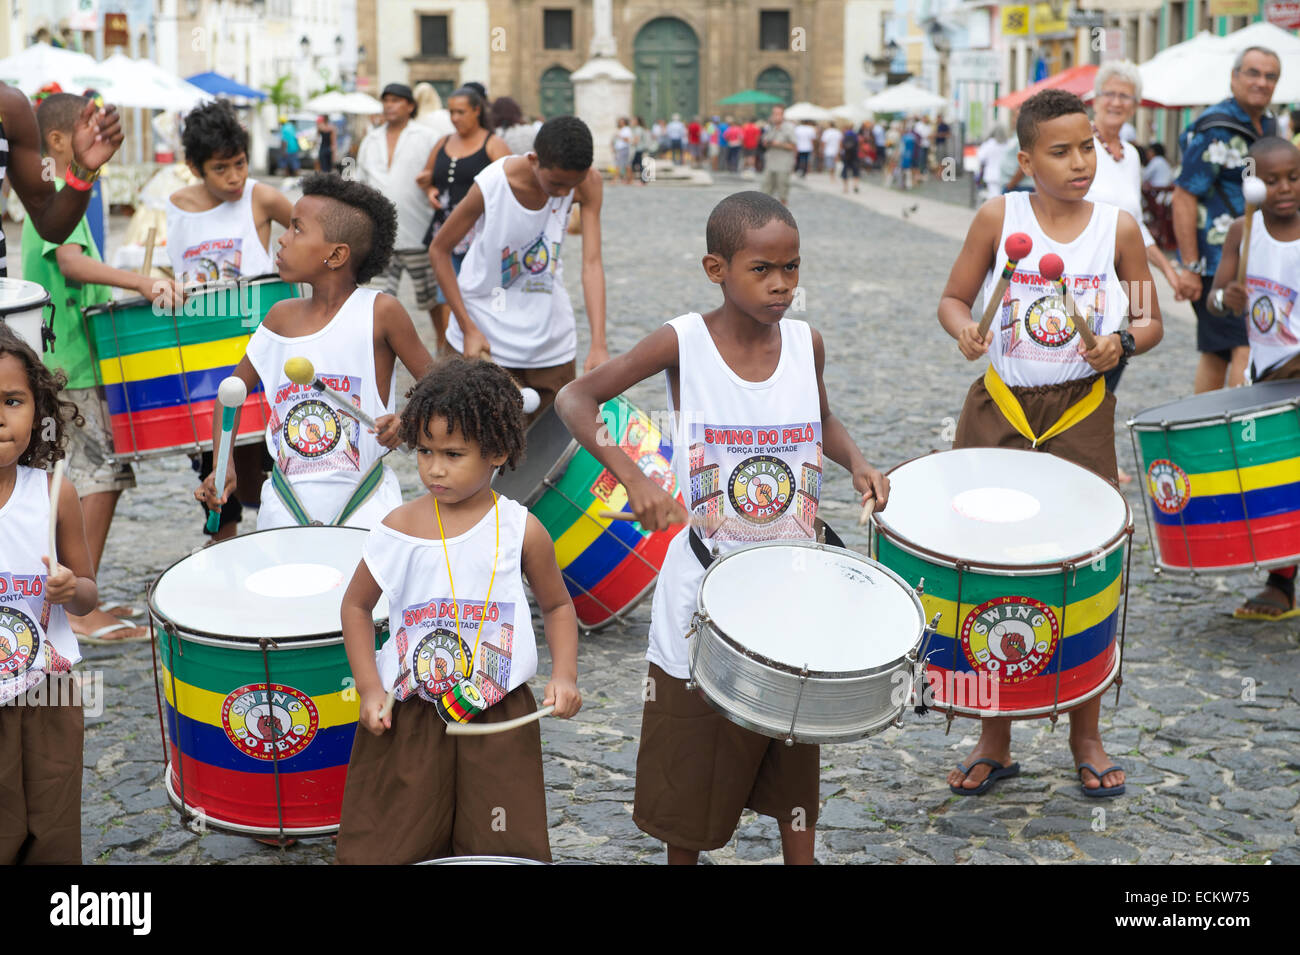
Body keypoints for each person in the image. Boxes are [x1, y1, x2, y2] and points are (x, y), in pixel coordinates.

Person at [555, 191, 890, 864]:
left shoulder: (805, 341)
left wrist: (856, 461)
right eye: (762, 269)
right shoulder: (682, 342)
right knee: (695, 743)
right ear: (716, 268)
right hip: (704, 581)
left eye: (791, 268)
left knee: (795, 737)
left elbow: (819, 418)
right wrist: (635, 477)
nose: (781, 285)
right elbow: (575, 397)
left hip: (792, 575)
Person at [937, 89, 1163, 799]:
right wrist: (965, 329)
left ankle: (1085, 731)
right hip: (1000, 409)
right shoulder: (997, 216)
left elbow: (1151, 319)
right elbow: (952, 298)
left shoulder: (1117, 228)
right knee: (990, 564)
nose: (1079, 162)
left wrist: (1120, 341)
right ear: (1026, 157)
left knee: (1086, 567)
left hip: (1080, 414)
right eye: (1060, 151)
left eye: (1087, 146)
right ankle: (993, 736)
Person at [335, 357, 582, 864]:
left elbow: (557, 605)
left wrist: (565, 675)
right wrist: (369, 689)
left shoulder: (521, 530)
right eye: (424, 451)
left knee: (498, 842)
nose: (434, 468)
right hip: (409, 719)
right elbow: (357, 607)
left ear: (496, 451)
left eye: (453, 453)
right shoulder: (397, 528)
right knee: (393, 839)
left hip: (498, 715)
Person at [23, 93, 182, 643]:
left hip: (76, 364)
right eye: (87, 129)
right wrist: (140, 282)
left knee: (89, 478)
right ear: (60, 143)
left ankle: (79, 592)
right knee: (96, 478)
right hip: (70, 370)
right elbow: (69, 261)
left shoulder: (71, 202)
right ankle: (79, 609)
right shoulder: (48, 206)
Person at [196, 173, 433, 530]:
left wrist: (409, 422)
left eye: (296, 229)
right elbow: (230, 396)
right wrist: (222, 463)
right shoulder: (279, 319)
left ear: (336, 255)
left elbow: (440, 389)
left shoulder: (380, 313)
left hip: (365, 503)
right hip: (284, 504)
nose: (282, 239)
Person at [168, 99, 293, 541]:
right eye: (221, 168)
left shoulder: (260, 197)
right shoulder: (175, 208)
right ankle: (225, 561)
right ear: (194, 166)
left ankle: (286, 544)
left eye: (240, 163)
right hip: (202, 368)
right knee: (217, 479)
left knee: (274, 462)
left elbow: (312, 231)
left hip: (259, 357)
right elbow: (172, 273)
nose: (235, 177)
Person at [432, 116, 609, 419]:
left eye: (572, 185)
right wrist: (468, 328)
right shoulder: (492, 185)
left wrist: (599, 343)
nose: (565, 192)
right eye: (556, 183)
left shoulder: (587, 183)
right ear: (534, 160)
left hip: (550, 345)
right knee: (472, 445)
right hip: (482, 333)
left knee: (547, 456)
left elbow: (592, 264)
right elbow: (439, 250)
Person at [0, 326, 99, 864]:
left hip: (49, 691)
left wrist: (69, 589)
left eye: (11, 401)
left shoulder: (55, 494)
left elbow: (87, 595)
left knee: (54, 819)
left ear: (37, 409)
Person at [1207, 137, 1300, 620]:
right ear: (1253, 183)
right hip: (1267, 373)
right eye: (1271, 179)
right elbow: (1215, 297)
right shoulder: (1243, 231)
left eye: (1293, 176)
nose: (1283, 188)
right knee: (1280, 479)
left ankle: (1280, 583)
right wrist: (1228, 300)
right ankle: (1281, 584)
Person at [1085, 61, 1183, 479]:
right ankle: (1080, 452)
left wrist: (1169, 270)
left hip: (1128, 273)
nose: (1116, 102)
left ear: (1135, 105)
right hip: (1087, 269)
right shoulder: (1080, 143)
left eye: (1125, 95)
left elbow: (1136, 220)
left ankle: (1095, 452)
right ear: (1096, 98)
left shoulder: (1131, 156)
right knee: (1087, 352)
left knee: (1128, 344)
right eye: (1110, 93)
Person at [1173, 46, 1280, 393]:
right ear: (1234, 77)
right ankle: (1241, 439)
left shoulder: (1270, 125)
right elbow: (1184, 195)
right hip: (1219, 264)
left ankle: (1201, 433)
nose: (1261, 82)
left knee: (1216, 352)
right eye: (1253, 73)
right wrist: (1189, 265)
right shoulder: (1215, 128)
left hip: (1257, 260)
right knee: (1245, 347)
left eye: (1270, 76)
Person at [416, 85, 509, 354]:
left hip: (481, 236)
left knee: (481, 297)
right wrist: (429, 189)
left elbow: (510, 185)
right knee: (447, 296)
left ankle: (487, 352)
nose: (455, 118)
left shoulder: (493, 144)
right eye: (452, 112)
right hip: (445, 233)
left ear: (477, 111)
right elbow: (426, 176)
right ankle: (449, 353)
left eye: (461, 112)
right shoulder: (443, 142)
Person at [0, 77, 123, 273]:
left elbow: (51, 226)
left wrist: (84, 170)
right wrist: (140, 282)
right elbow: (70, 262)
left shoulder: (8, 105)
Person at [356, 83, 439, 344]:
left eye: (396, 100)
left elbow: (435, 178)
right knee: (374, 300)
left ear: (410, 106)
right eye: (386, 100)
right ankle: (377, 349)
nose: (389, 105)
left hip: (419, 232)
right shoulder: (371, 139)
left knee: (434, 301)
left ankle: (444, 351)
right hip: (380, 236)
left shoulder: (427, 137)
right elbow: (361, 182)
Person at [761, 104, 797, 205]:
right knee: (765, 190)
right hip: (770, 162)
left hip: (783, 164)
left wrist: (779, 144)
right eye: (774, 114)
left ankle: (784, 215)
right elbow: (764, 142)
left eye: (778, 114)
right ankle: (765, 215)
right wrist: (767, 143)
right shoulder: (770, 128)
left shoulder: (789, 128)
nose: (775, 116)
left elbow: (793, 146)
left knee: (782, 191)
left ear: (782, 115)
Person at [840, 121, 861, 193]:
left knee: (845, 170)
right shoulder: (855, 135)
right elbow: (858, 144)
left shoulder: (845, 135)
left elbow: (841, 145)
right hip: (854, 155)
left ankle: (845, 188)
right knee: (855, 171)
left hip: (846, 155)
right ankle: (855, 185)